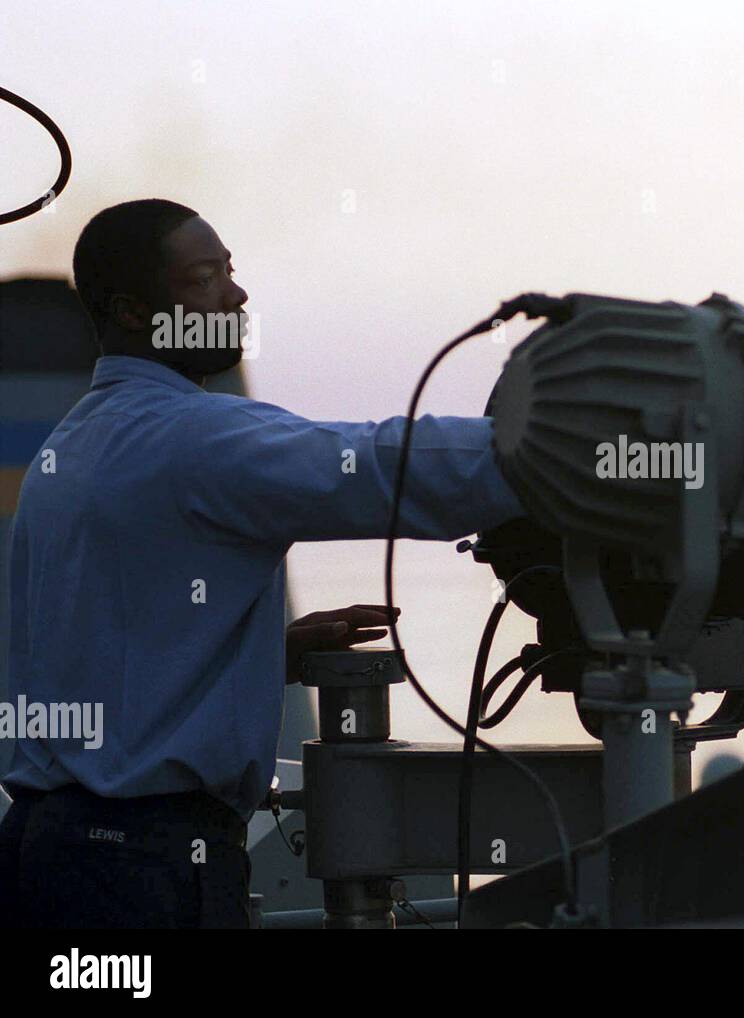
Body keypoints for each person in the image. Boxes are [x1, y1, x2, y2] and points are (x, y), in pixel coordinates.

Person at [0, 199, 523, 928]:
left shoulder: (71, 450)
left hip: (48, 848)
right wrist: (543, 456)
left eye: (231, 273)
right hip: (143, 865)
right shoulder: (191, 437)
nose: (236, 296)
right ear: (130, 310)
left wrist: (262, 656)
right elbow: (374, 465)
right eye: (205, 278)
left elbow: (101, 652)